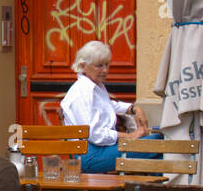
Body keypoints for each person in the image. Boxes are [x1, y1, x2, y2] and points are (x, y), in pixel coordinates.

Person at [59, 40, 153, 173]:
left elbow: (109, 106)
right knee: (156, 144)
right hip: (89, 156)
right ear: (83, 66)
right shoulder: (82, 93)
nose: (105, 70)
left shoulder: (95, 86)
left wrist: (134, 109)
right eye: (99, 66)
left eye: (107, 65)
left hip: (100, 151)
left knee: (158, 148)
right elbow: (95, 134)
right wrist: (131, 136)